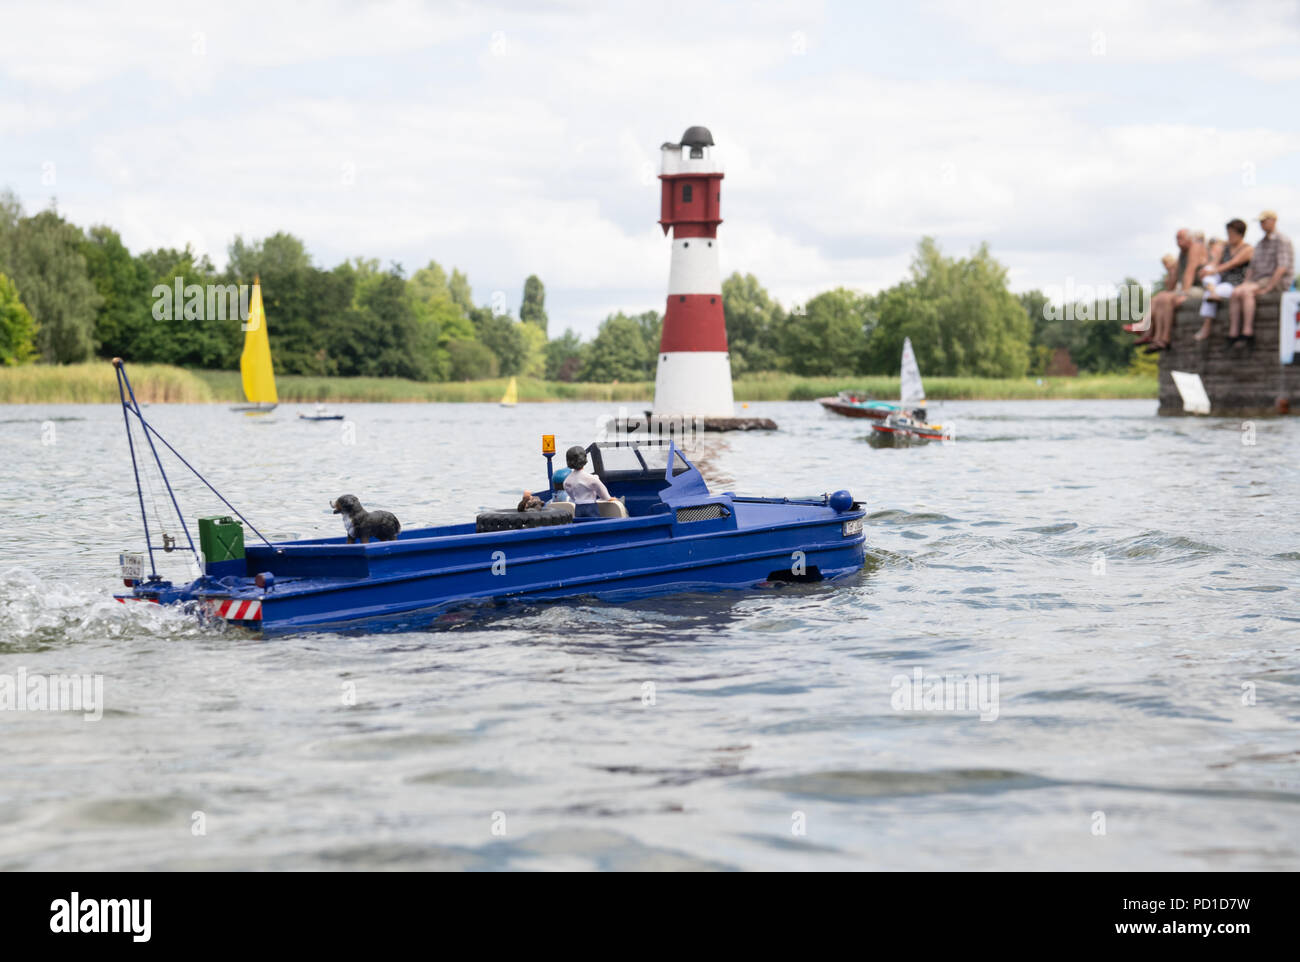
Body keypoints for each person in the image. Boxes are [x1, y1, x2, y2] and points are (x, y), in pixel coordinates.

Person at [1228, 210, 1295, 349]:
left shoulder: (1282, 240)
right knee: (1236, 292)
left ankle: (1247, 331)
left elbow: (1282, 268)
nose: (1262, 224)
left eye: (1264, 221)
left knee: (1246, 293)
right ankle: (1233, 333)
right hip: (1258, 281)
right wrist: (1246, 282)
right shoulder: (1259, 243)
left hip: (1275, 281)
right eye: (1261, 222)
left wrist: (1269, 288)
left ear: (1273, 221)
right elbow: (1251, 268)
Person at [1141, 228, 1206, 352]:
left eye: (1180, 238)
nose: (1178, 242)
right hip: (1188, 288)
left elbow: (1190, 271)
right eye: (1177, 238)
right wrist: (1170, 283)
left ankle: (1164, 338)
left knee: (1168, 298)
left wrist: (1183, 293)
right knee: (1160, 297)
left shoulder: (1196, 247)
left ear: (1189, 239)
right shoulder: (1182, 253)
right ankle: (1155, 336)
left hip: (1200, 288)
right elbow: (1175, 279)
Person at [1193, 220, 1253, 341]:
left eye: (1231, 233)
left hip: (1235, 283)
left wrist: (1212, 271)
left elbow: (1232, 263)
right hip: (1221, 279)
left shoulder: (1247, 249)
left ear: (1240, 234)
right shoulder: (1225, 248)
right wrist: (1206, 271)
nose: (1229, 236)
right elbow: (1215, 264)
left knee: (1211, 288)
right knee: (1208, 270)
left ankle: (1207, 325)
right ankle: (1213, 291)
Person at [562, 445, 613, 519]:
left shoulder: (567, 480)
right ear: (584, 458)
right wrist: (608, 498)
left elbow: (570, 493)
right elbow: (601, 489)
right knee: (594, 522)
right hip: (591, 506)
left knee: (580, 522)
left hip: (578, 507)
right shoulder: (590, 478)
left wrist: (576, 498)